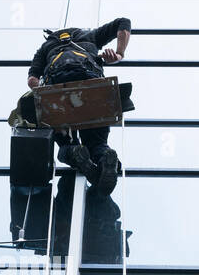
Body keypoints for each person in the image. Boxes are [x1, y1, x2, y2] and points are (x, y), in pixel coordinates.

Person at [26, 16, 131, 194]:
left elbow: (32, 80)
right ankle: (105, 157)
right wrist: (119, 54)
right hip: (91, 87)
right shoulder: (89, 36)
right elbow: (124, 22)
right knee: (97, 142)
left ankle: (75, 152)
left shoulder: (45, 48)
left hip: (59, 91)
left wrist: (47, 95)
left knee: (65, 145)